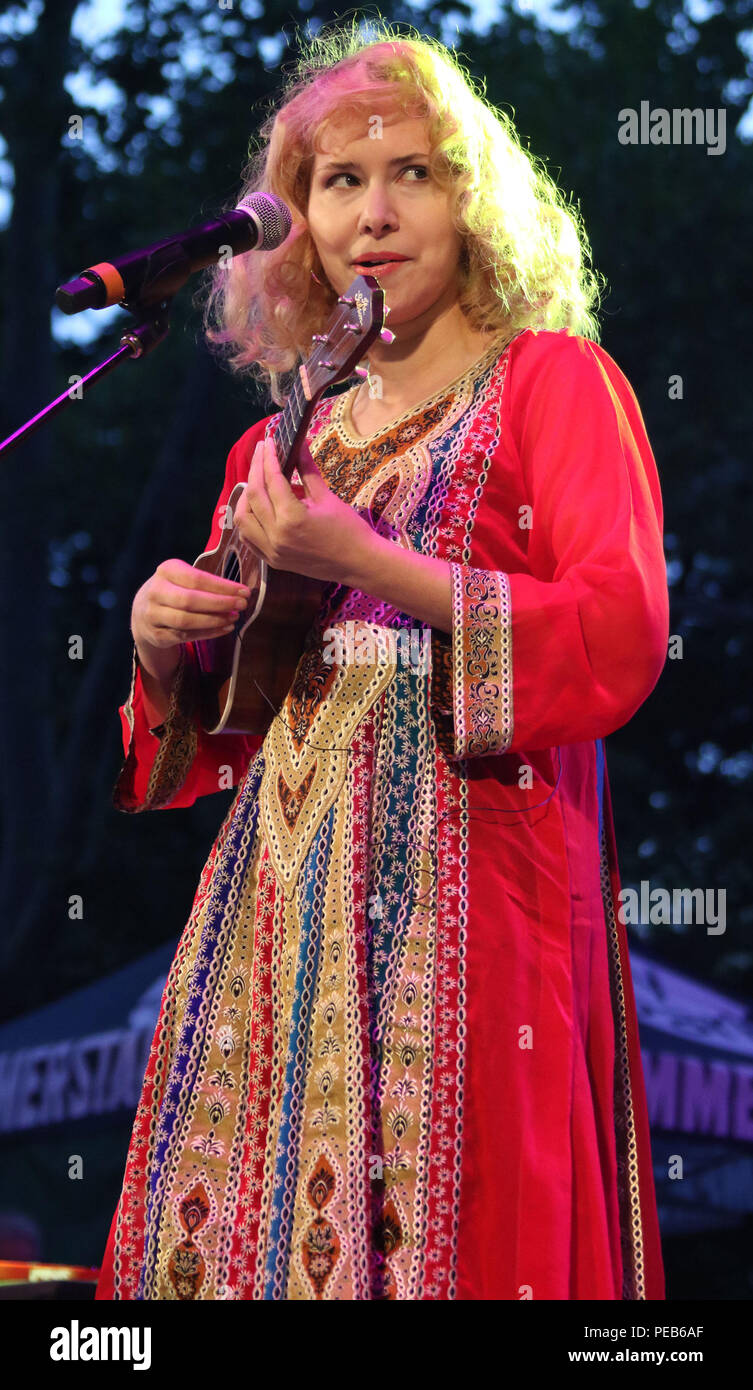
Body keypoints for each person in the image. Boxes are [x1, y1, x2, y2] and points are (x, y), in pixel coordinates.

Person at [95, 23, 668, 1301]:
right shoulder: (278, 439)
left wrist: (372, 557)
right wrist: (160, 637)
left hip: (479, 896)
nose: (374, 212)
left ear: (474, 198)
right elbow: (230, 715)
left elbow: (620, 627)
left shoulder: (554, 383)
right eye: (337, 183)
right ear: (291, 220)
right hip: (280, 911)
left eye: (412, 172)